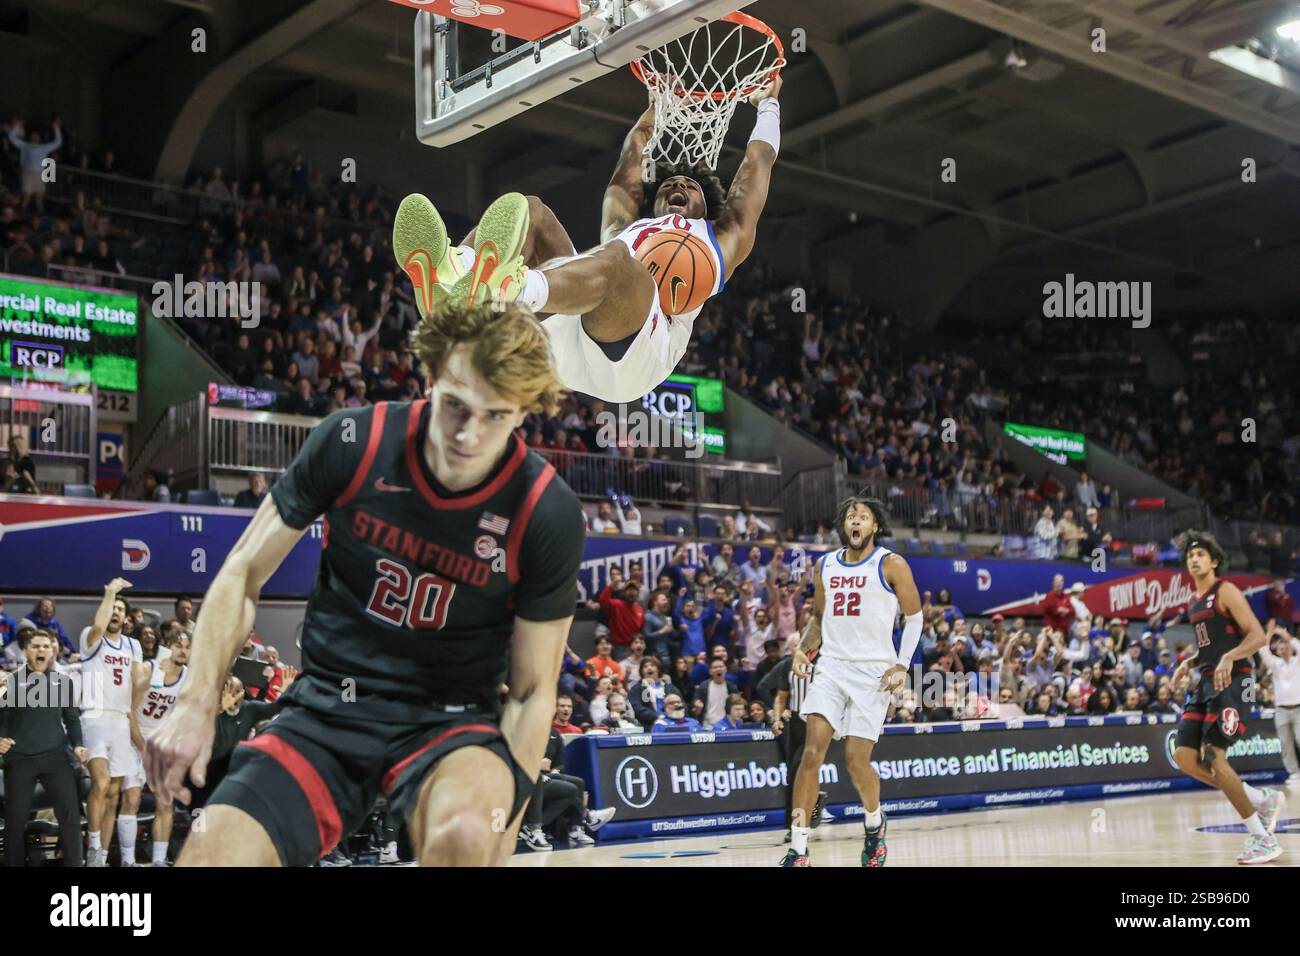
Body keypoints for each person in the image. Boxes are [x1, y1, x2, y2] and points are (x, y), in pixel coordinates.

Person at [145, 299, 585, 867]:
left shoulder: (546, 510)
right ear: (430, 377)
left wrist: (507, 820)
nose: (469, 435)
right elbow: (242, 573)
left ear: (524, 411)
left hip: (449, 723)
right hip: (326, 710)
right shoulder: (354, 440)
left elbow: (529, 695)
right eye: (455, 406)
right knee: (211, 853)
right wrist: (197, 702)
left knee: (468, 837)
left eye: (495, 415)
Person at [393, 76, 783, 404]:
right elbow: (630, 158)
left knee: (617, 263)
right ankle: (455, 274)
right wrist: (654, 111)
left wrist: (769, 106)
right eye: (668, 184)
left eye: (689, 185)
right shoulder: (626, 229)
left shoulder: (721, 239)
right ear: (655, 200)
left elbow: (757, 162)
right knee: (531, 209)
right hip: (574, 318)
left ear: (706, 204)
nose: (678, 185)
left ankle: (506, 287)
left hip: (634, 361)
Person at [780, 497, 922, 868]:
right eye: (850, 517)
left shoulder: (891, 564)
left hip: (874, 674)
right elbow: (819, 618)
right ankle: (798, 849)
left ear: (875, 526)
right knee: (811, 754)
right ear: (844, 526)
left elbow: (916, 617)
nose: (855, 522)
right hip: (831, 668)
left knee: (856, 764)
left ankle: (874, 824)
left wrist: (902, 665)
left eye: (863, 517)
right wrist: (802, 650)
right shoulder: (825, 565)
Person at [1168, 532, 1284, 865]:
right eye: (1191, 556)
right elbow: (1211, 646)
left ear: (1214, 561)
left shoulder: (1226, 590)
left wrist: (1231, 657)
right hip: (1206, 681)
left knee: (1214, 758)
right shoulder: (1194, 601)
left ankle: (1262, 839)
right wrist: (1190, 662)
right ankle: (1259, 799)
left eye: (1202, 554)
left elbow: (1258, 636)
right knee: (1185, 758)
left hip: (1235, 681)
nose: (1195, 560)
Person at [0, 630, 87, 867]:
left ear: (53, 650)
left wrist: (78, 745)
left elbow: (72, 719)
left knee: (70, 819)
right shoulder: (10, 681)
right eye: (36, 646)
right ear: (26, 650)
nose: (41, 651)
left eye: (46, 646)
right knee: (15, 823)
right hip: (20, 759)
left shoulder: (63, 682)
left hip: (56, 757)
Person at [80, 578, 145, 867]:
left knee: (114, 794)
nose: (116, 612)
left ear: (127, 618)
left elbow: (138, 683)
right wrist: (110, 591)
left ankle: (103, 859)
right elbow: (99, 625)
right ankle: (93, 847)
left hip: (120, 720)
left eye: (121, 609)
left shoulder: (133, 646)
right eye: (112, 608)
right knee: (101, 783)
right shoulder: (90, 637)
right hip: (95, 717)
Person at [125, 633, 199, 866]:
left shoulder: (188, 678)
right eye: (178, 645)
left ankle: (158, 860)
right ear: (167, 647)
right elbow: (129, 711)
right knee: (132, 798)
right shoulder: (149, 669)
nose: (183, 651)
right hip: (133, 736)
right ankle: (128, 860)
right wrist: (143, 746)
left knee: (165, 802)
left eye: (187, 647)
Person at [1258, 621, 1300, 785]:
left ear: (1290, 648)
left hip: (1298, 708)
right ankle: (1294, 773)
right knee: (1285, 743)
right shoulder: (1275, 665)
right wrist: (1269, 634)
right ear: (1277, 651)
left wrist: (1286, 636)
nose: (1283, 650)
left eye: (1285, 647)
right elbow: (1262, 650)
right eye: (1280, 648)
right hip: (1281, 709)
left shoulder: (1297, 662)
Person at [691, 657, 737, 729]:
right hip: (708, 726)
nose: (718, 669)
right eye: (715, 667)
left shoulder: (731, 687)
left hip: (727, 726)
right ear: (710, 671)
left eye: (721, 666)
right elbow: (696, 704)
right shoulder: (703, 687)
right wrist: (697, 706)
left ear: (725, 669)